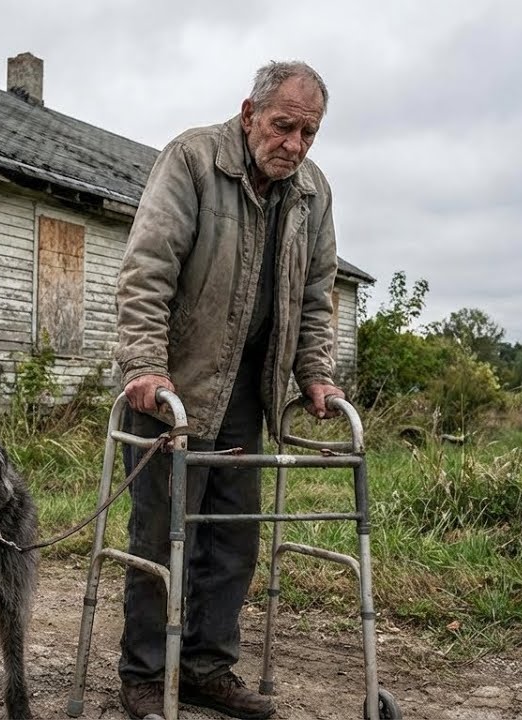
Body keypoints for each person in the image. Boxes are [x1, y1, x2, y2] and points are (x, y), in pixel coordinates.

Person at [113, 61, 345, 720]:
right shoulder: (192, 160)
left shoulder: (313, 192)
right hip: (173, 388)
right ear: (249, 114)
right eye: (282, 126)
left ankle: (206, 668)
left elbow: (316, 294)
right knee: (160, 538)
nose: (294, 145)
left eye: (308, 132)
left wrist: (315, 372)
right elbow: (147, 269)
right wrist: (144, 365)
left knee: (233, 541)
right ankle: (143, 675)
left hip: (247, 394)